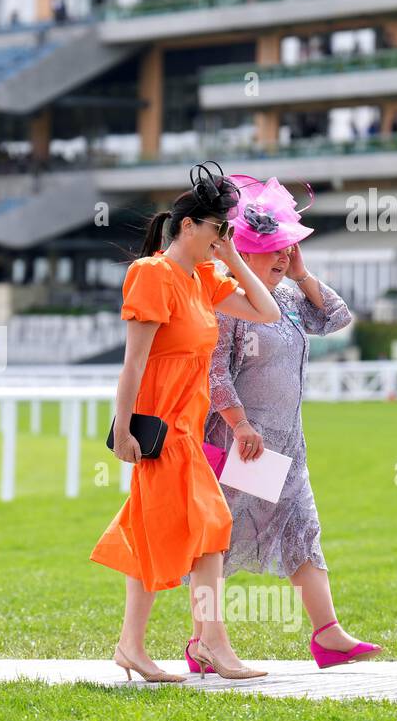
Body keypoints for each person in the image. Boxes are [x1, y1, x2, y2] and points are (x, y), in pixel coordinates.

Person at [91, 163, 282, 683]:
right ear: (191, 225)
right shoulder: (153, 275)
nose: (223, 239)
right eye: (220, 230)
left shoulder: (201, 278)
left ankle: (138, 646)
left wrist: (236, 258)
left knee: (162, 532)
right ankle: (209, 642)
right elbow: (133, 363)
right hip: (160, 431)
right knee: (208, 528)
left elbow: (266, 313)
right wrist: (124, 429)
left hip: (187, 431)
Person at [187, 174, 381, 671]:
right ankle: (202, 642)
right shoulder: (230, 301)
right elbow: (213, 370)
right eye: (272, 249)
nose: (281, 256)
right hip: (243, 444)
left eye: (286, 248)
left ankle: (329, 634)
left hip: (288, 444)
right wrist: (239, 425)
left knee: (301, 530)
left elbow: (337, 317)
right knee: (216, 545)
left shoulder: (291, 301)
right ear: (242, 253)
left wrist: (302, 273)